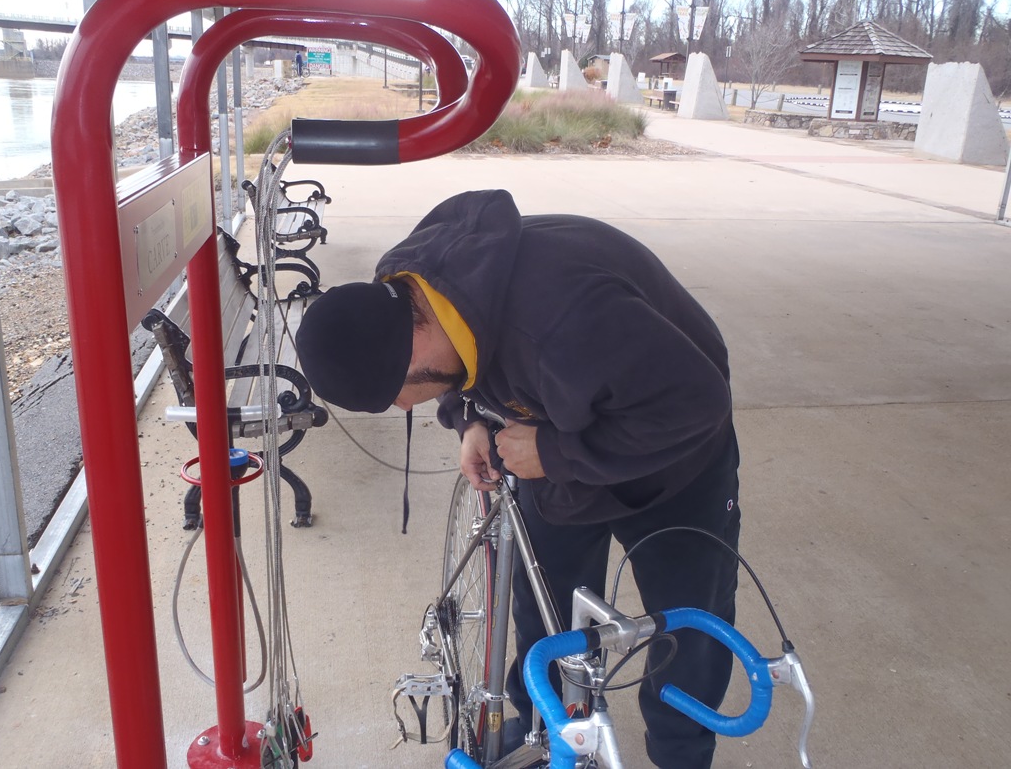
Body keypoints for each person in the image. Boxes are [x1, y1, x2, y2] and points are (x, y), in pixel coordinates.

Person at [295, 190, 740, 769]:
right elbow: (462, 366)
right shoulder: (410, 291)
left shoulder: (562, 320)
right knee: (544, 620)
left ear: (415, 342)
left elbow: (697, 404)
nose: (405, 407)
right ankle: (543, 739)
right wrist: (470, 418)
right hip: (551, 432)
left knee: (688, 627)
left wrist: (554, 451)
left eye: (397, 392)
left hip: (669, 450)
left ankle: (682, 754)